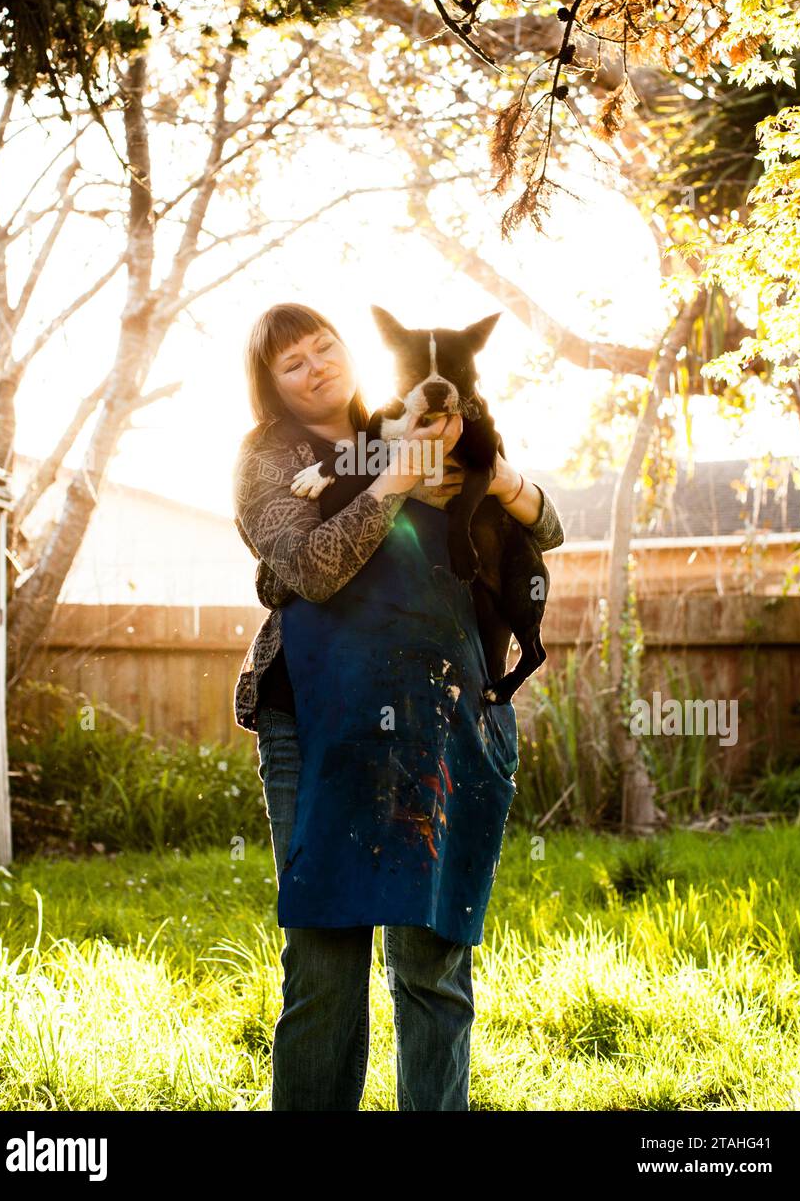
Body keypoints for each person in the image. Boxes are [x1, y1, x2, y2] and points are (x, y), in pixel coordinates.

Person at [232, 302, 564, 1111]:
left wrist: (499, 479)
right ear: (270, 386)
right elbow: (307, 569)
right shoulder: (268, 457)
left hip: (438, 717)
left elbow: (545, 526)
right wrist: (398, 483)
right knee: (325, 960)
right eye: (292, 363)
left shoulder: (424, 420)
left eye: (324, 346)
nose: (316, 367)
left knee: (432, 956)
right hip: (313, 724)